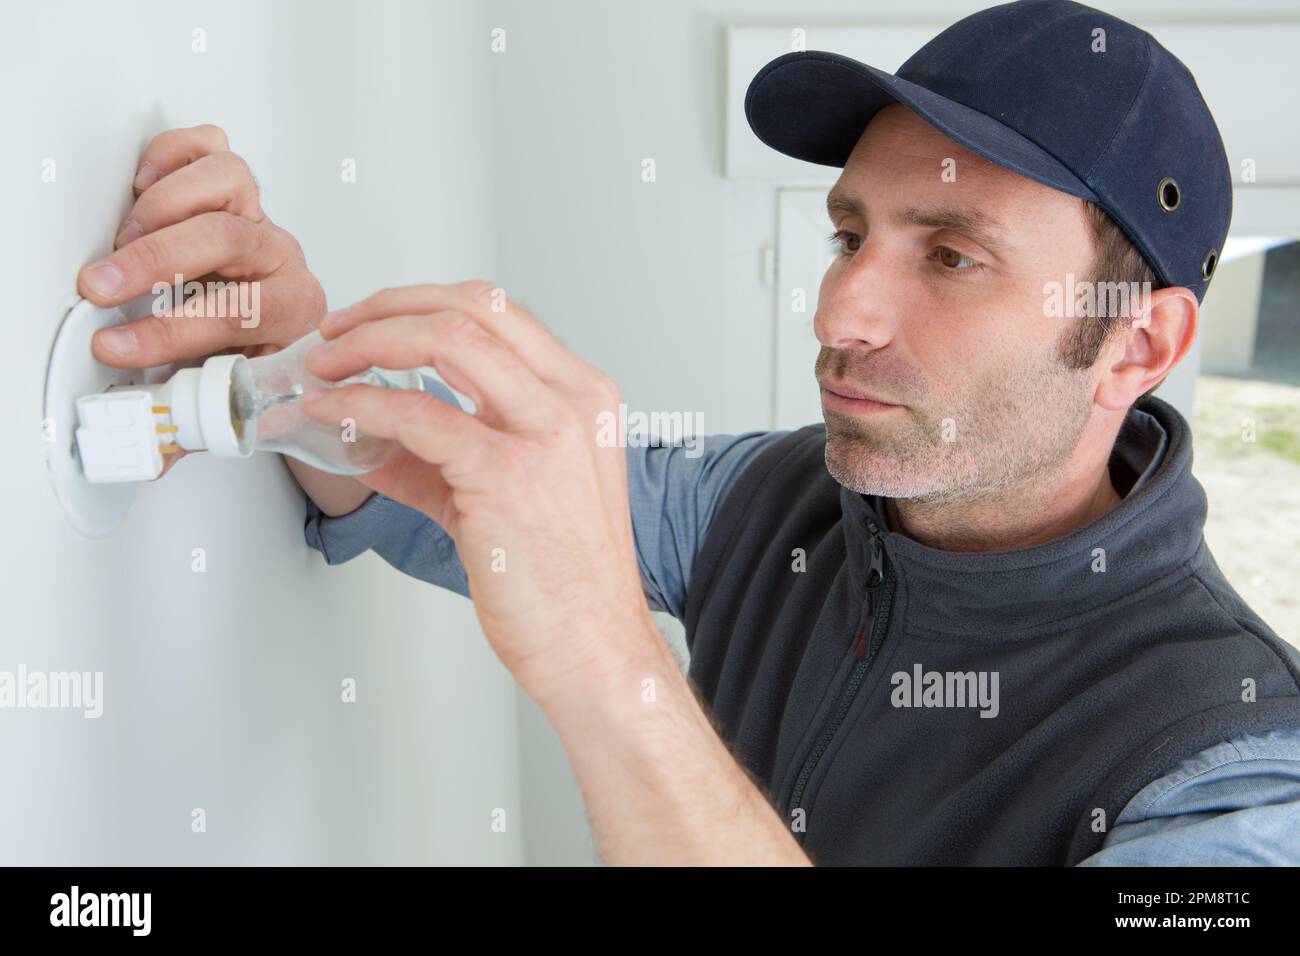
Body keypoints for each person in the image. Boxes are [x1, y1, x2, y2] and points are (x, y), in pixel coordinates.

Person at [77, 0, 1300, 865]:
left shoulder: (1232, 767)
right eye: (848, 234)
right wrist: (293, 354)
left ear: (1136, 345)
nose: (841, 308)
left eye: (951, 253)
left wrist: (609, 664)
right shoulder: (771, 498)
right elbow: (443, 493)